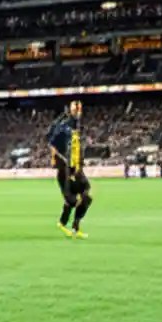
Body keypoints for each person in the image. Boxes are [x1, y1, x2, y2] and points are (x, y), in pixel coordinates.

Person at [49, 100, 92, 238]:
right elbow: (52, 142)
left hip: (76, 168)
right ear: (71, 110)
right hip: (66, 167)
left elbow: (77, 147)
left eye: (79, 109)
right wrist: (55, 158)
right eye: (76, 109)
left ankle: (75, 226)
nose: (78, 112)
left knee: (87, 196)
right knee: (72, 201)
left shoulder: (77, 126)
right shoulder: (64, 126)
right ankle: (62, 223)